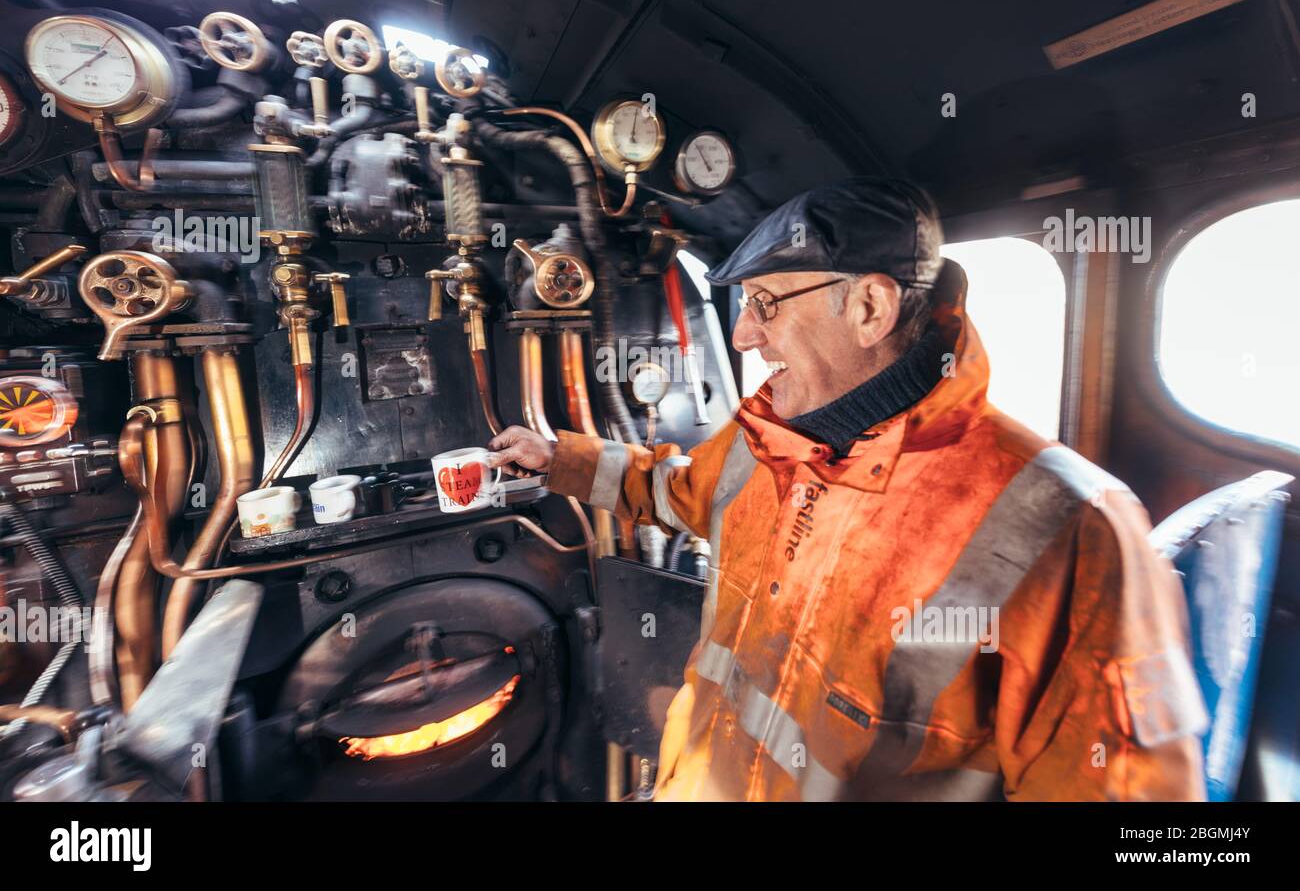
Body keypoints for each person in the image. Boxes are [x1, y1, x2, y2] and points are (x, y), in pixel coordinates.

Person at [489, 177, 1207, 801]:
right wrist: (560, 461)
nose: (743, 335)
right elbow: (676, 491)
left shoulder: (1068, 527)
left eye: (765, 303)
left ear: (870, 307)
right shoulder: (765, 437)